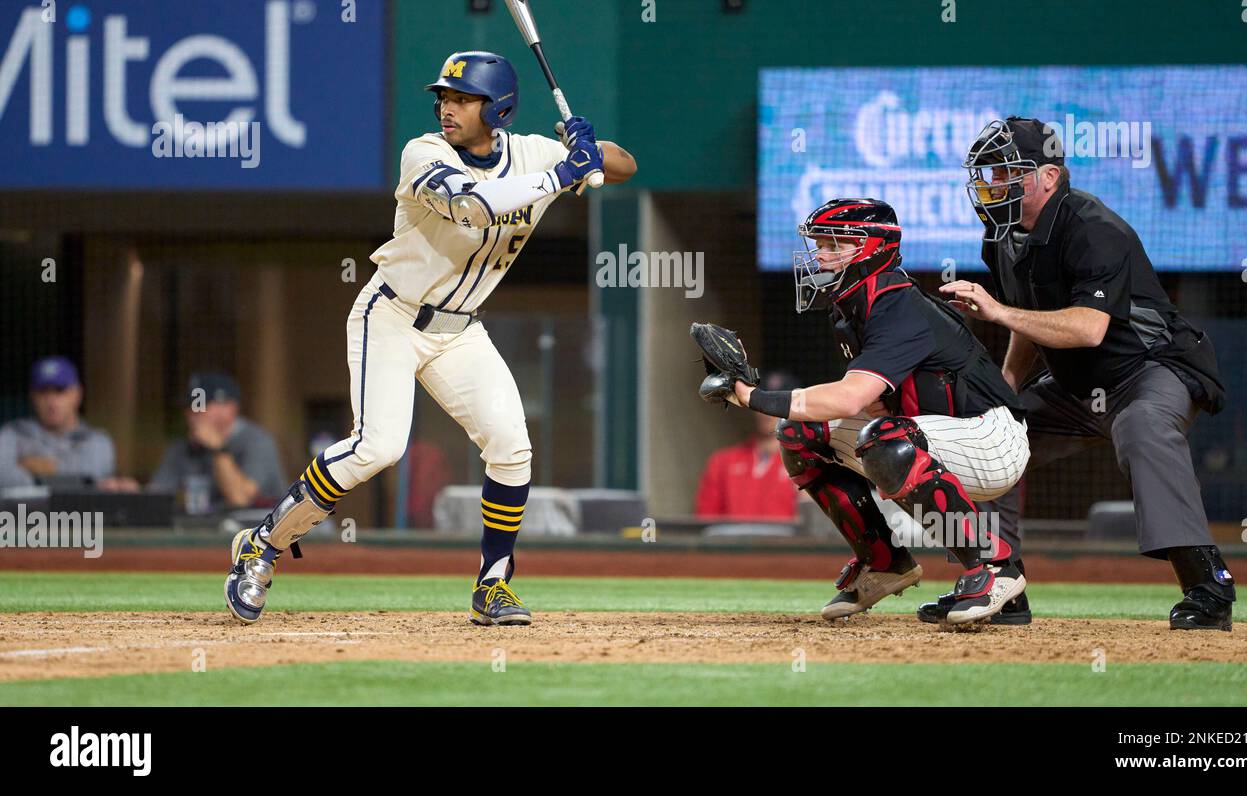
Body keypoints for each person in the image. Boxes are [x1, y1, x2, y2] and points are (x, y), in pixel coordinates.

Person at [224, 51, 637, 627]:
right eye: (444, 97)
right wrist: (563, 172)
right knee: (378, 447)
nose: (448, 107)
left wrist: (585, 145)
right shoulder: (423, 154)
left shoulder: (537, 153)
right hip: (391, 315)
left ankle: (493, 587)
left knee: (511, 446)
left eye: (464, 99)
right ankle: (261, 546)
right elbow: (472, 205)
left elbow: (624, 166)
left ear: (499, 108)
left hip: (461, 330)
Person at [943, 118, 1237, 632]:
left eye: (1007, 172)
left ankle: (1208, 586)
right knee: (990, 437)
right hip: (1077, 387)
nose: (993, 184)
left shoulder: (1095, 228)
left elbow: (1087, 328)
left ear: (1049, 177)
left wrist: (997, 311)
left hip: (1150, 369)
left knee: (1142, 428)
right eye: (988, 174)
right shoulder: (1002, 237)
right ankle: (1000, 583)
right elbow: (1029, 320)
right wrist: (1007, 395)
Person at [707, 199, 1030, 626]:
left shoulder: (897, 304)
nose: (820, 254)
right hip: (945, 431)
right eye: (819, 243)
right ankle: (883, 563)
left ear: (873, 248)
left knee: (886, 440)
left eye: (834, 243)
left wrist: (753, 397)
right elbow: (868, 400)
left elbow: (848, 399)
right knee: (800, 434)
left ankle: (993, 566)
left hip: (993, 438)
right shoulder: (857, 307)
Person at [152, 372, 287, 512]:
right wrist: (136, 492)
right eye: (189, 406)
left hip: (262, 529)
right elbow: (159, 493)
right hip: (208, 528)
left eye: (200, 405)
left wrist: (218, 448)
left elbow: (240, 499)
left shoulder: (257, 441)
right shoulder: (181, 447)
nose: (192, 413)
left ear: (229, 408)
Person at [0, 357, 134, 492]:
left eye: (60, 391)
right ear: (32, 396)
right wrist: (69, 476)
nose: (51, 402)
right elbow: (4, 478)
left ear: (77, 394)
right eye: (43, 392)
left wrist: (41, 468)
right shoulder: (12, 434)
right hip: (25, 513)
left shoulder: (97, 440)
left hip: (81, 513)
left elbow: (91, 477)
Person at [694, 372, 800, 521]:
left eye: (777, 402)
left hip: (784, 543)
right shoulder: (722, 462)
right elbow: (705, 522)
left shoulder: (805, 463)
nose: (767, 411)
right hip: (731, 542)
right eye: (762, 401)